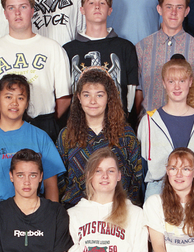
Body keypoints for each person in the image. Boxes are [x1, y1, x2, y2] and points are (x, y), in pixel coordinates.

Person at [0, 0, 71, 140]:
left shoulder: (53, 48)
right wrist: (6, 118)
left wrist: (48, 123)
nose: (17, 13)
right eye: (11, 8)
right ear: (5, 14)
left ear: (32, 11)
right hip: (5, 126)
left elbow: (64, 97)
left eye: (23, 7)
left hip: (43, 123)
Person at [0, 74, 65, 207]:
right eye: (8, 97)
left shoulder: (41, 137)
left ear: (27, 102)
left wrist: (51, 217)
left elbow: (51, 187)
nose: (14, 103)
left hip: (33, 209)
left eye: (20, 98)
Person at [56, 68, 144, 206]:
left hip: (118, 208)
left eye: (99, 95)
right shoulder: (67, 135)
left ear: (108, 97)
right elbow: (60, 179)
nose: (92, 101)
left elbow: (136, 175)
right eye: (86, 95)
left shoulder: (125, 134)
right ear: (78, 97)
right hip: (76, 210)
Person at [138, 58, 194, 198]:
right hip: (158, 190)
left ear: (190, 82)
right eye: (171, 81)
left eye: (182, 81)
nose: (177, 87)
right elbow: (141, 166)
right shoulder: (149, 121)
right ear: (163, 83)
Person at [63, 0, 141, 117]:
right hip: (79, 124)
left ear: (110, 10)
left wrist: (124, 117)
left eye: (102, 2)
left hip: (116, 123)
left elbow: (131, 90)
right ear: (82, 10)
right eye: (91, 2)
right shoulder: (68, 50)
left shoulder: (125, 47)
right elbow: (66, 93)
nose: (97, 6)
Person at [135, 0, 194, 113]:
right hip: (150, 124)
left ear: (186, 11)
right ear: (159, 9)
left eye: (179, 7)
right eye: (169, 7)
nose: (174, 12)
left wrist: (185, 117)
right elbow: (138, 91)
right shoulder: (143, 47)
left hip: (185, 126)